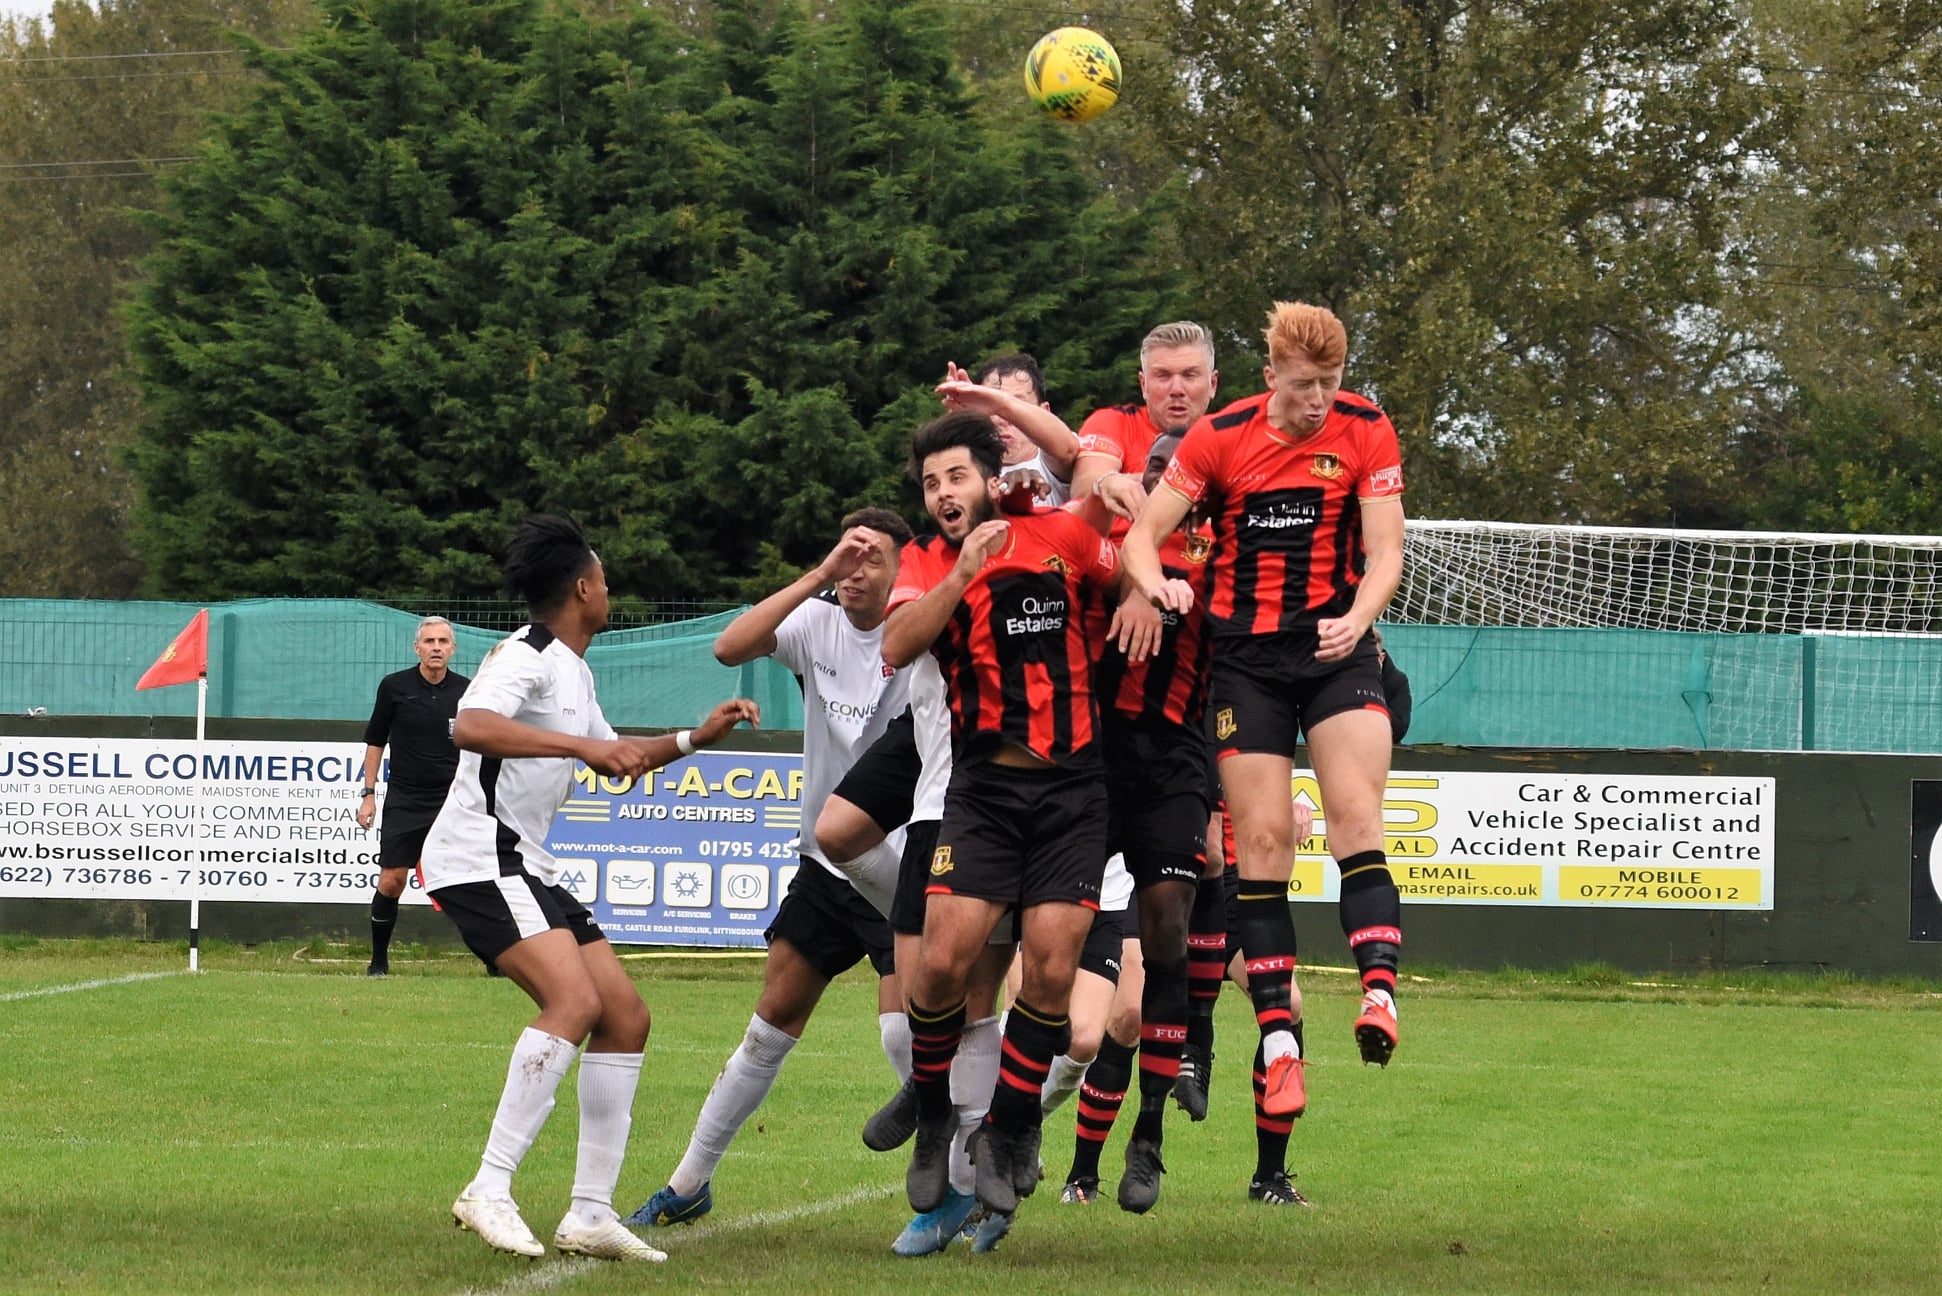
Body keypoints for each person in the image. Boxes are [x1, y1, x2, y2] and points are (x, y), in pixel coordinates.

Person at [422, 514, 758, 1263]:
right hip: (479, 859)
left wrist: (693, 740)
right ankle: (489, 1186)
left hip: (528, 867)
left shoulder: (575, 670)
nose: (610, 590)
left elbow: (618, 755)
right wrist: (580, 745)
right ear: (582, 588)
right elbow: (471, 726)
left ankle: (588, 1214)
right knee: (573, 1004)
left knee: (626, 1016)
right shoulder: (528, 653)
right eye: (603, 579)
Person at [1122, 301, 1408, 1134]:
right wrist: (1156, 583)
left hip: (1333, 650)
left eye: (1330, 383)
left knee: (1358, 816)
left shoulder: (1366, 429)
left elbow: (1386, 546)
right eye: (1303, 384)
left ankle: (1380, 992)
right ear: (1268, 376)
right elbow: (1145, 535)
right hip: (1245, 663)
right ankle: (1280, 1040)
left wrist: (1360, 617)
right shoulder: (1221, 437)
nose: (1318, 400)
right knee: (1268, 842)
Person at [879, 410, 1133, 1236]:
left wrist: (1145, 570)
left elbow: (1124, 562)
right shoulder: (925, 560)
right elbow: (895, 645)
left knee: (1054, 976)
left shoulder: (1058, 532)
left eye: (956, 477)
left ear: (992, 479)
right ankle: (932, 1116)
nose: (943, 494)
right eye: (930, 484)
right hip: (983, 793)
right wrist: (961, 574)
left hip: (1074, 795)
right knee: (942, 967)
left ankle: (1013, 1123)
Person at [624, 508, 913, 1230]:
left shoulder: (925, 631)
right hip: (824, 861)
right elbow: (729, 647)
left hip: (900, 861)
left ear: (905, 567)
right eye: (846, 557)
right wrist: (818, 572)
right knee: (769, 1024)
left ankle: (974, 1163)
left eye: (871, 557)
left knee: (905, 1034)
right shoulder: (818, 619)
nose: (855, 572)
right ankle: (689, 1183)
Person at [355, 616, 469, 977]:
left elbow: (483, 745)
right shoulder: (394, 687)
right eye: (429, 641)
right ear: (417, 647)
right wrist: (368, 794)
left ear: (453, 648)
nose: (436, 647)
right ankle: (378, 962)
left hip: (454, 802)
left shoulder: (469, 691)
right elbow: (375, 741)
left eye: (443, 641)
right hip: (406, 797)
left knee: (472, 883)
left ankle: (495, 961)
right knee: (391, 880)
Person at [1069, 321, 1221, 499]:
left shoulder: (1233, 438)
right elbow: (1085, 488)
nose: (1177, 389)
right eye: (1163, 376)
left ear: (1212, 384)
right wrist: (1107, 483)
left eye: (1189, 375)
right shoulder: (1115, 423)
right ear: (1143, 384)